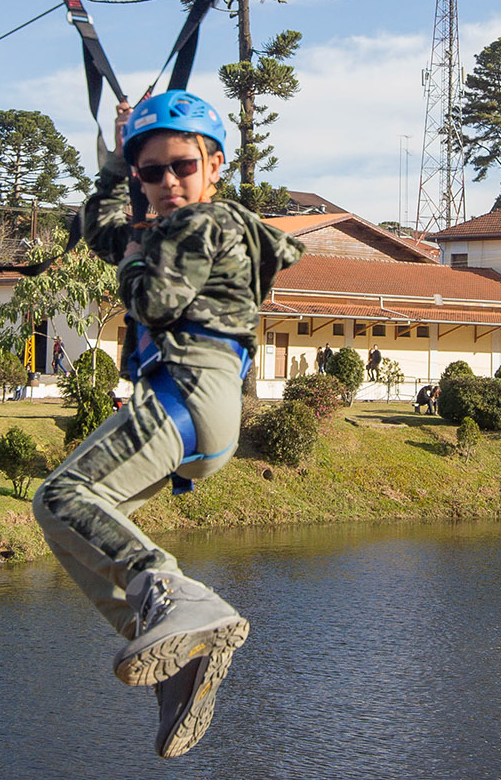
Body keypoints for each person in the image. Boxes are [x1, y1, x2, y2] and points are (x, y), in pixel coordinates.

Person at [33, 90, 303, 760]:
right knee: (62, 515)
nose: (168, 182)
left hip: (186, 390)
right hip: (204, 416)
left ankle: (182, 599)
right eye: (151, 173)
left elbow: (150, 296)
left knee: (66, 495)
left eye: (181, 165)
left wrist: (131, 239)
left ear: (215, 165)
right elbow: (101, 232)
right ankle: (167, 643)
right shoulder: (192, 228)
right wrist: (112, 184)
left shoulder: (202, 224)